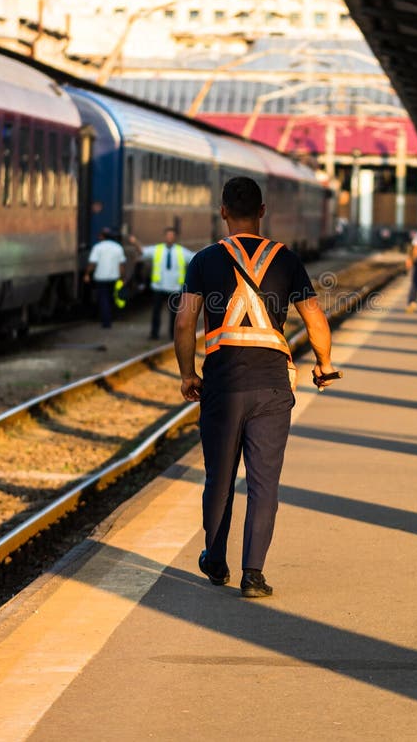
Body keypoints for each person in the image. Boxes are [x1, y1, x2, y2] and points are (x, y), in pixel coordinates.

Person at [175, 176, 339, 599]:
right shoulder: (286, 259)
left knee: (220, 478)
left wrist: (188, 374)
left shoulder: (204, 260)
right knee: (265, 483)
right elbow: (315, 319)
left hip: (223, 386)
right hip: (271, 387)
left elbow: (184, 323)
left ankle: (214, 558)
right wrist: (324, 364)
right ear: (263, 212)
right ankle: (253, 575)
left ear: (223, 210)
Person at [129, 228, 193, 340]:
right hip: (159, 286)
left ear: (175, 238)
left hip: (174, 287)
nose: (169, 238)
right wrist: (135, 242)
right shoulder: (157, 249)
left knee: (174, 314)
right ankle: (154, 334)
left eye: (172, 236)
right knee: (156, 312)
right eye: (167, 236)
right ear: (164, 237)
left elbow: (194, 258)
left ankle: (173, 336)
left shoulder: (181, 251)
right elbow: (142, 251)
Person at [83, 228, 126, 328]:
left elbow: (92, 263)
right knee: (111, 299)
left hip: (101, 278)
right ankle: (110, 318)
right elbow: (121, 265)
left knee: (103, 300)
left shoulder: (97, 247)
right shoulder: (118, 247)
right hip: (113, 277)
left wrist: (87, 274)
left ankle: (106, 322)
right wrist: (123, 277)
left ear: (102, 236)